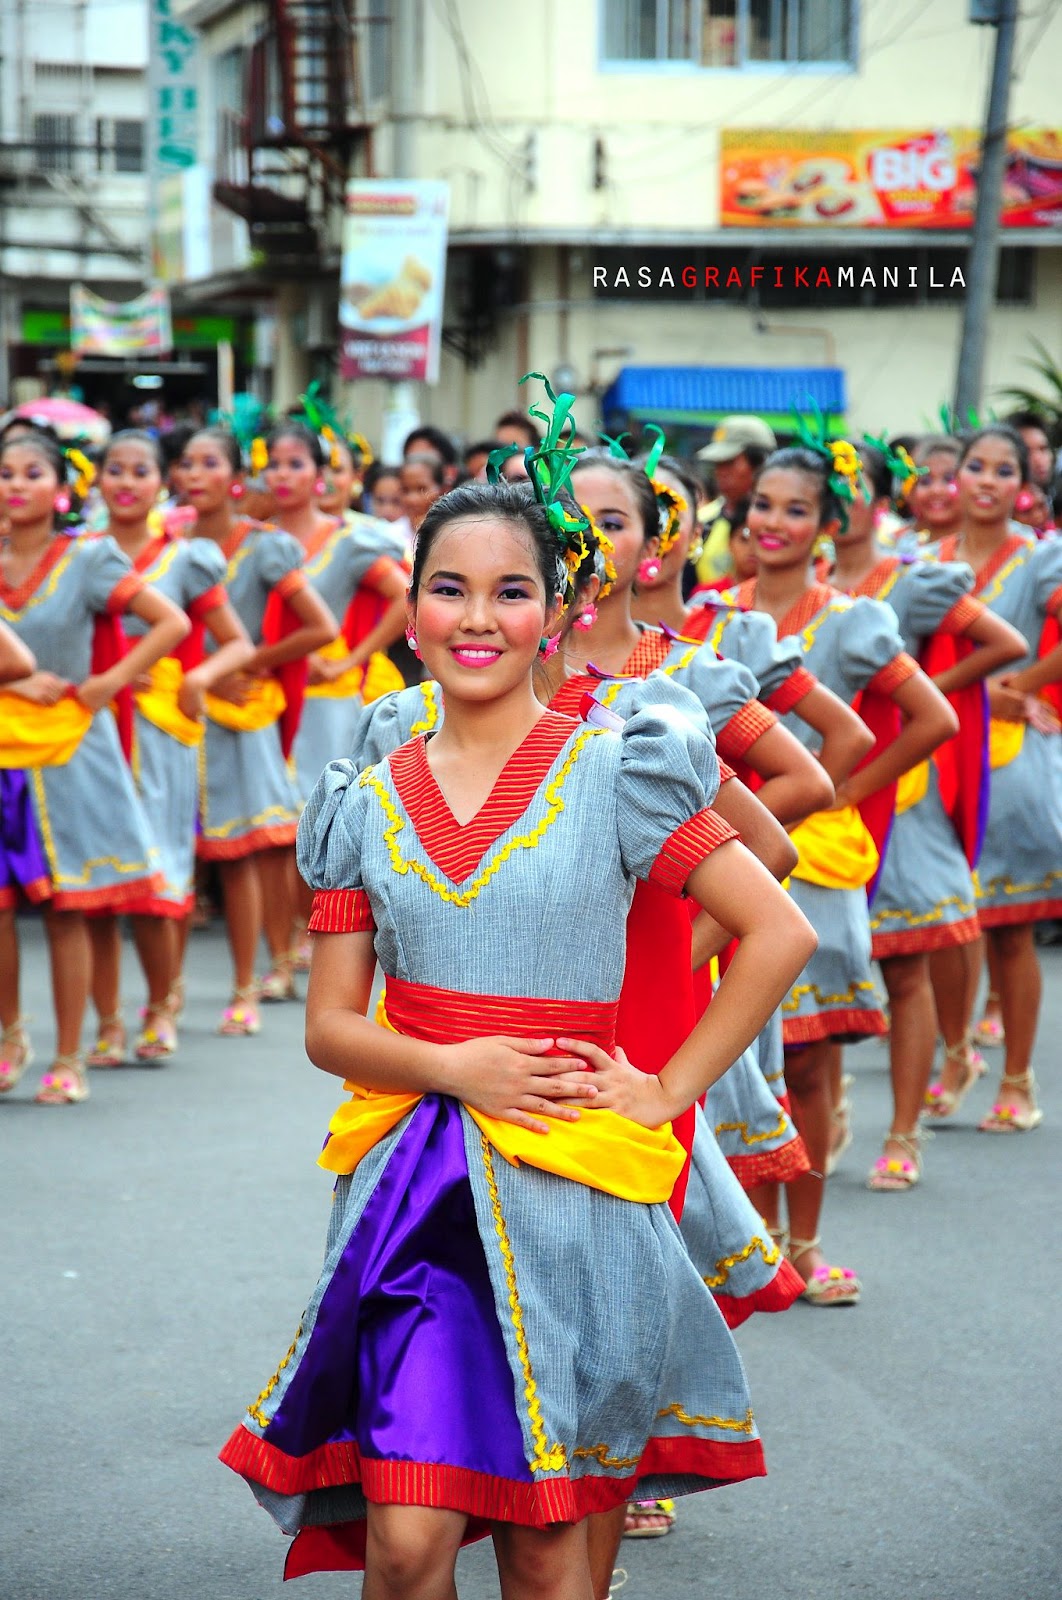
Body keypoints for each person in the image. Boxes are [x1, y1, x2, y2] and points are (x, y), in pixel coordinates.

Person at [220, 477, 817, 1596]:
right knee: (406, 1547)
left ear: (556, 611)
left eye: (510, 591)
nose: (478, 618)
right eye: (449, 588)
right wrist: (454, 1065)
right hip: (416, 1205)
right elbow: (331, 1028)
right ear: (411, 612)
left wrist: (663, 1085)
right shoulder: (368, 798)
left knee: (549, 1554)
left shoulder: (618, 767)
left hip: (580, 1197)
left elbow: (775, 930)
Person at [733, 436, 957, 1297]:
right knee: (737, 1059)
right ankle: (745, 1248)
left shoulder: (852, 617)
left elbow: (930, 717)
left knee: (811, 1059)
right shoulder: (716, 611)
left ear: (829, 524)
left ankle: (805, 1246)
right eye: (763, 506)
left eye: (796, 509)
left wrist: (836, 792)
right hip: (730, 855)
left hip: (819, 862)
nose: (776, 522)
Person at [829, 441, 1026, 1178]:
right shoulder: (798, 583)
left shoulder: (909, 579)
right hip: (816, 793)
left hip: (896, 788)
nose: (838, 501)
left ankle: (903, 1135)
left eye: (853, 487)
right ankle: (826, 1106)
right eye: (829, 489)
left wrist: (928, 690)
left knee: (905, 966)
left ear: (884, 499)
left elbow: (1004, 642)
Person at [0, 431, 189, 1103]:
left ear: (60, 490)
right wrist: (18, 686)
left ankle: (71, 1055)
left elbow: (169, 622)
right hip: (3, 747)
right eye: (5, 473)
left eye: (30, 474)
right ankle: (10, 1038)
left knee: (66, 908)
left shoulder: (86, 557)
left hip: (72, 749)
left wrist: (110, 680)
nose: (15, 485)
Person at [83, 430, 254, 1066]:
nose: (126, 482)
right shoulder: (77, 557)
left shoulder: (186, 560)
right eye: (114, 470)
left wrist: (199, 677)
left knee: (160, 874)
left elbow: (234, 642)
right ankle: (105, 1020)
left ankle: (161, 1004)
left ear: (161, 484)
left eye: (139, 471)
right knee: (93, 877)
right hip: (94, 731)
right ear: (96, 481)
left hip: (161, 732)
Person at [179, 427, 336, 1034]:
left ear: (236, 474)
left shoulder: (262, 546)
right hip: (175, 710)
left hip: (241, 712)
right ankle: (161, 1002)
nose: (195, 474)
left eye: (210, 462)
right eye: (186, 462)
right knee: (179, 856)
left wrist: (244, 663)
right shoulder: (172, 544)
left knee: (246, 851)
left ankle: (250, 983)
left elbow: (319, 627)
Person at [929, 425, 1062, 1131]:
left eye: (1001, 470)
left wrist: (1019, 683)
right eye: (974, 466)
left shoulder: (1042, 560)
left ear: (1022, 485)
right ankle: (955, 1055)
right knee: (950, 927)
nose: (984, 480)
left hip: (1009, 761)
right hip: (937, 756)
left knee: (1008, 929)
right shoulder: (925, 560)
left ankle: (1018, 1079)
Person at [693, 416, 776, 587]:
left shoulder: (785, 524)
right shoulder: (700, 523)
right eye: (717, 463)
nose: (720, 471)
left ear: (760, 463)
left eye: (729, 462)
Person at [400, 453, 445, 537]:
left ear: (442, 490)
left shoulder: (450, 533)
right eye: (405, 490)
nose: (411, 499)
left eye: (421, 489)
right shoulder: (389, 535)